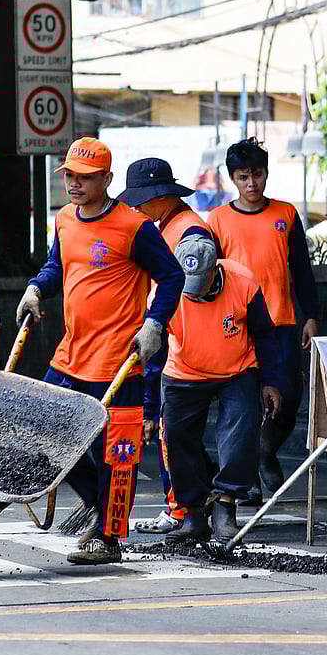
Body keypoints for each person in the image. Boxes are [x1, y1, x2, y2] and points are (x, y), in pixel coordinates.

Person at [16, 138, 183, 565]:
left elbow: (172, 276)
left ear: (106, 179)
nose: (74, 184)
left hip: (119, 362)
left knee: (118, 454)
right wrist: (37, 287)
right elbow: (59, 266)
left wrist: (154, 324)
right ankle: (95, 502)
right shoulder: (65, 219)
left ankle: (109, 538)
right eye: (70, 175)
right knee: (47, 438)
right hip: (71, 357)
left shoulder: (133, 227)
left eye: (85, 178)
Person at [207, 138, 319, 503]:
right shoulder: (218, 219)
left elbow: (302, 270)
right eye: (243, 177)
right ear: (232, 179)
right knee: (243, 404)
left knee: (289, 397)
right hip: (237, 325)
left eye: (257, 174)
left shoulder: (286, 214)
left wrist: (312, 315)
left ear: (266, 174)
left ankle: (263, 449)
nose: (251, 183)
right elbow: (213, 276)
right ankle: (246, 482)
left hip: (282, 321)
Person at [161, 234, 282, 543]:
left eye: (200, 281)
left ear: (215, 269)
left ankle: (225, 506)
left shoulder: (243, 282)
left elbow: (266, 334)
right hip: (184, 371)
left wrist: (270, 381)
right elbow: (153, 350)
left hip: (236, 369)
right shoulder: (166, 290)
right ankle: (193, 514)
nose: (194, 290)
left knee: (241, 429)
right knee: (176, 436)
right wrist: (149, 406)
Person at [117, 157, 215, 536]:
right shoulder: (169, 225)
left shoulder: (188, 232)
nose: (137, 207)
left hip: (180, 341)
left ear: (161, 195)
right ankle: (194, 501)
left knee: (165, 428)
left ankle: (178, 508)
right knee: (175, 431)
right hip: (171, 337)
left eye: (142, 200)